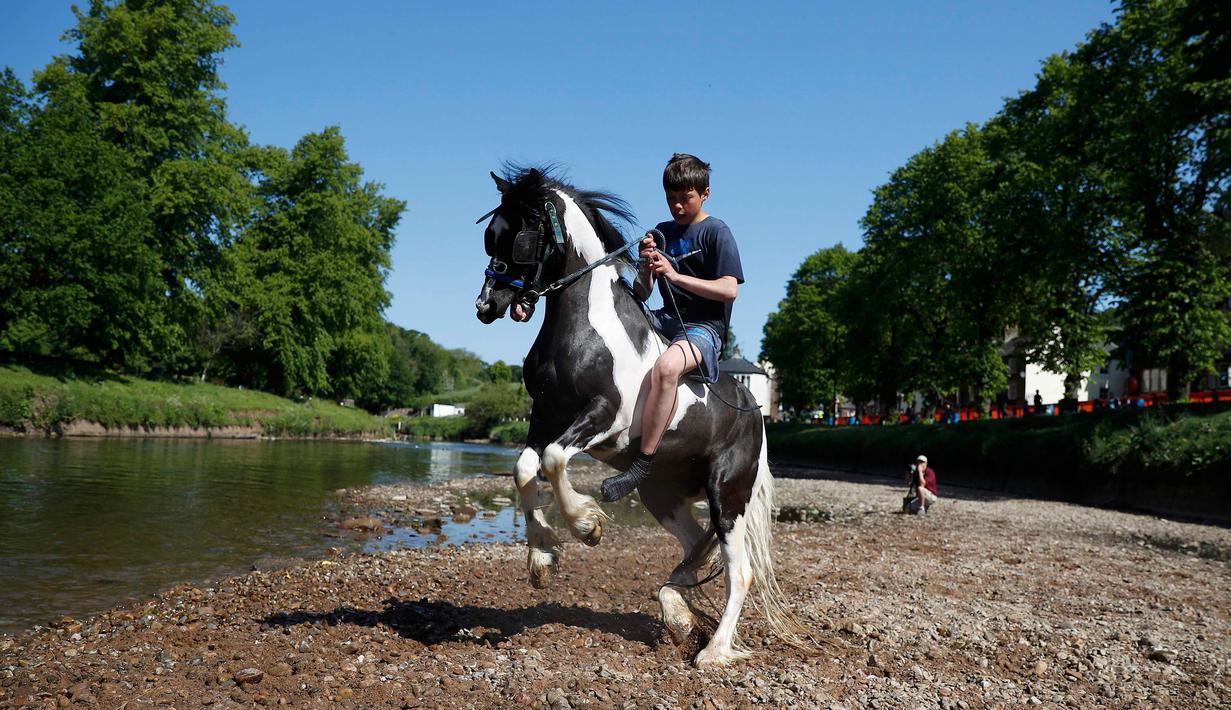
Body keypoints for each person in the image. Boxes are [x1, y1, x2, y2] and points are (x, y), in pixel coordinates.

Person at [600, 153, 744, 502]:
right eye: (671, 199)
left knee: (665, 368)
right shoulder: (661, 233)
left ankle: (643, 462)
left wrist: (676, 275)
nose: (678, 206)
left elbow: (729, 290)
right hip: (664, 316)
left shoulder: (716, 231)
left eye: (686, 198)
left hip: (704, 328)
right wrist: (648, 268)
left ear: (705, 193)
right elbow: (642, 292)